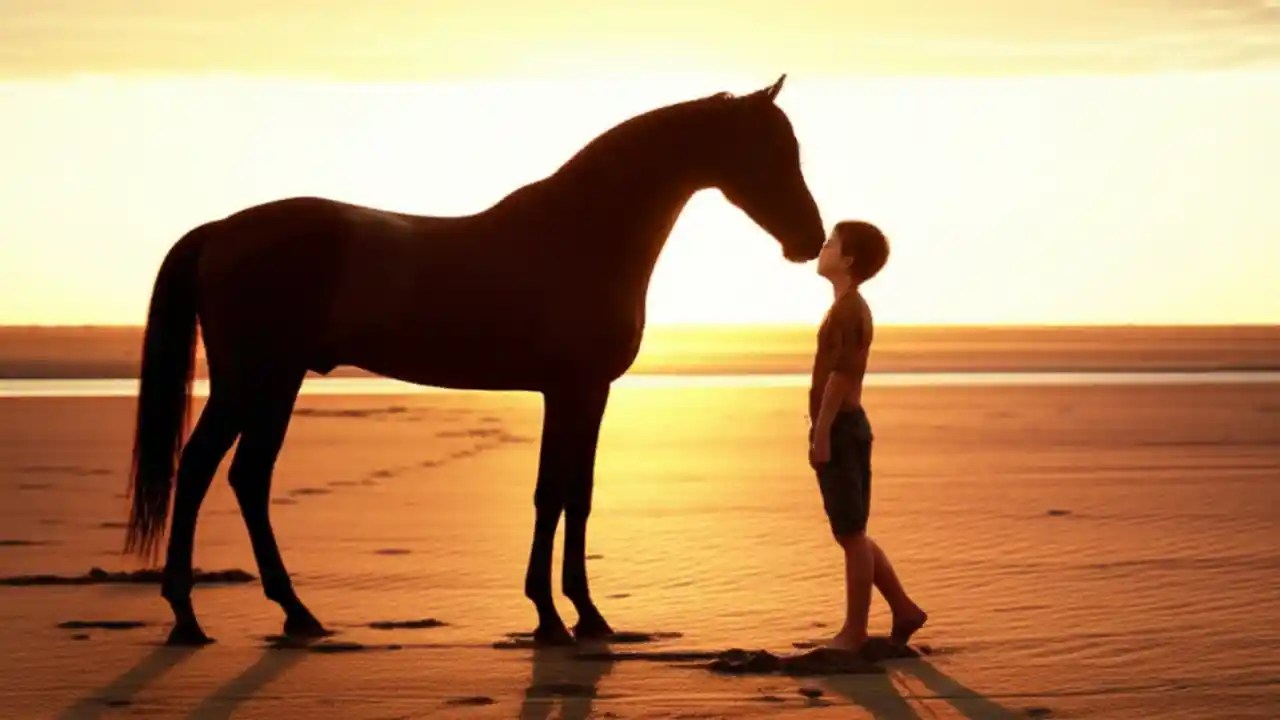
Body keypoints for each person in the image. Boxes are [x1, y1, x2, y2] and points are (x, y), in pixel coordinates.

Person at [808, 220, 927, 652]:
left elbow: (842, 376)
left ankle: (854, 633)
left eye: (831, 243)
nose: (822, 248)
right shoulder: (847, 306)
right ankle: (904, 610)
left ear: (848, 260)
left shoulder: (848, 310)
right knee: (852, 532)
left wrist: (820, 433)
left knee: (851, 535)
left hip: (843, 427)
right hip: (846, 426)